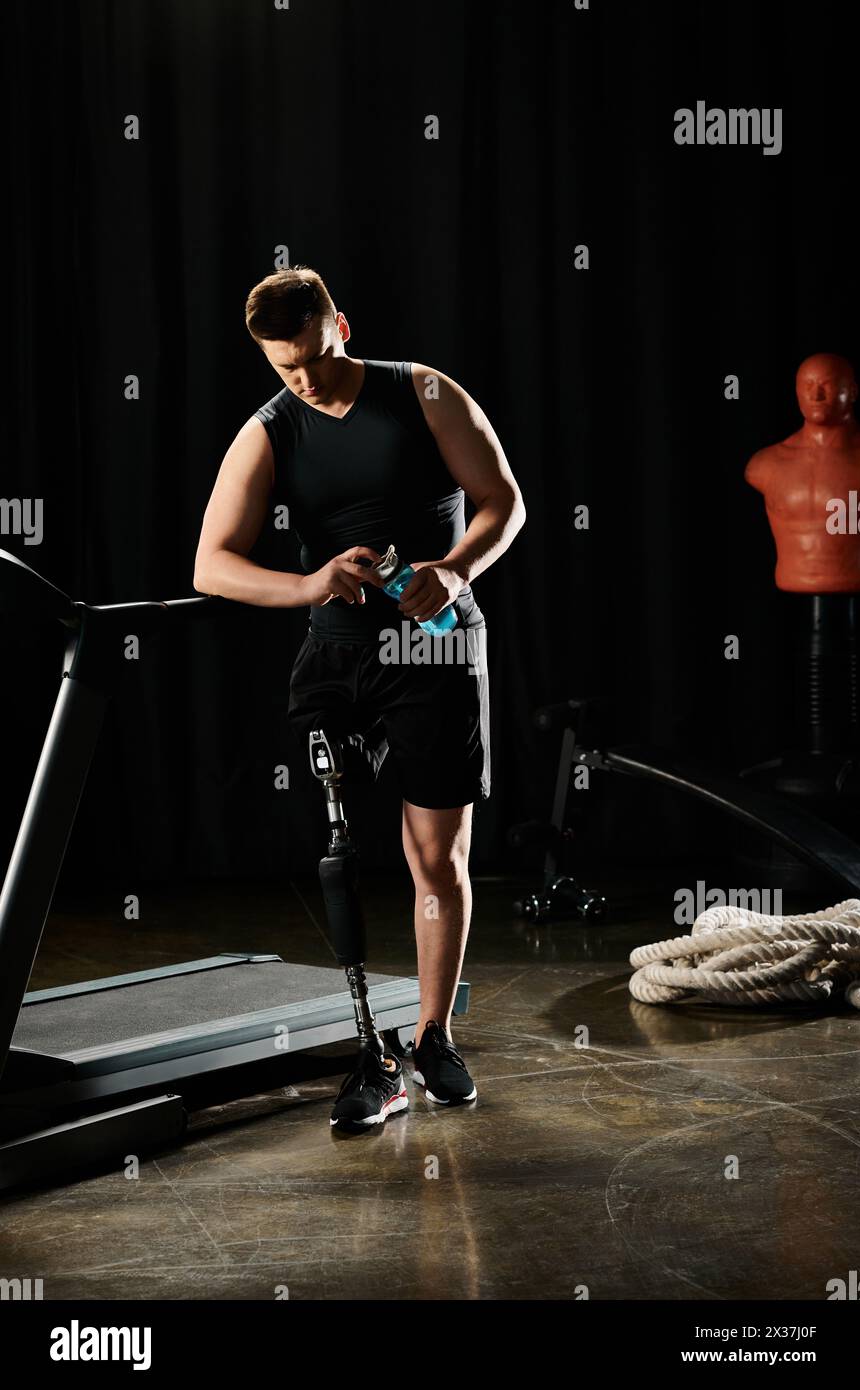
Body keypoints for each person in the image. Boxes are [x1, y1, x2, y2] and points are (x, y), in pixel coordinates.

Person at [194, 266, 525, 1126]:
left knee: (434, 856)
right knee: (339, 850)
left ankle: (434, 1037)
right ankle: (370, 1054)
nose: (303, 379)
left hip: (434, 643)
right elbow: (212, 566)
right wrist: (308, 586)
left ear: (340, 323)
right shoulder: (269, 432)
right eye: (283, 368)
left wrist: (454, 571)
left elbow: (504, 503)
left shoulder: (423, 393)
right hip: (338, 658)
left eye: (312, 356)